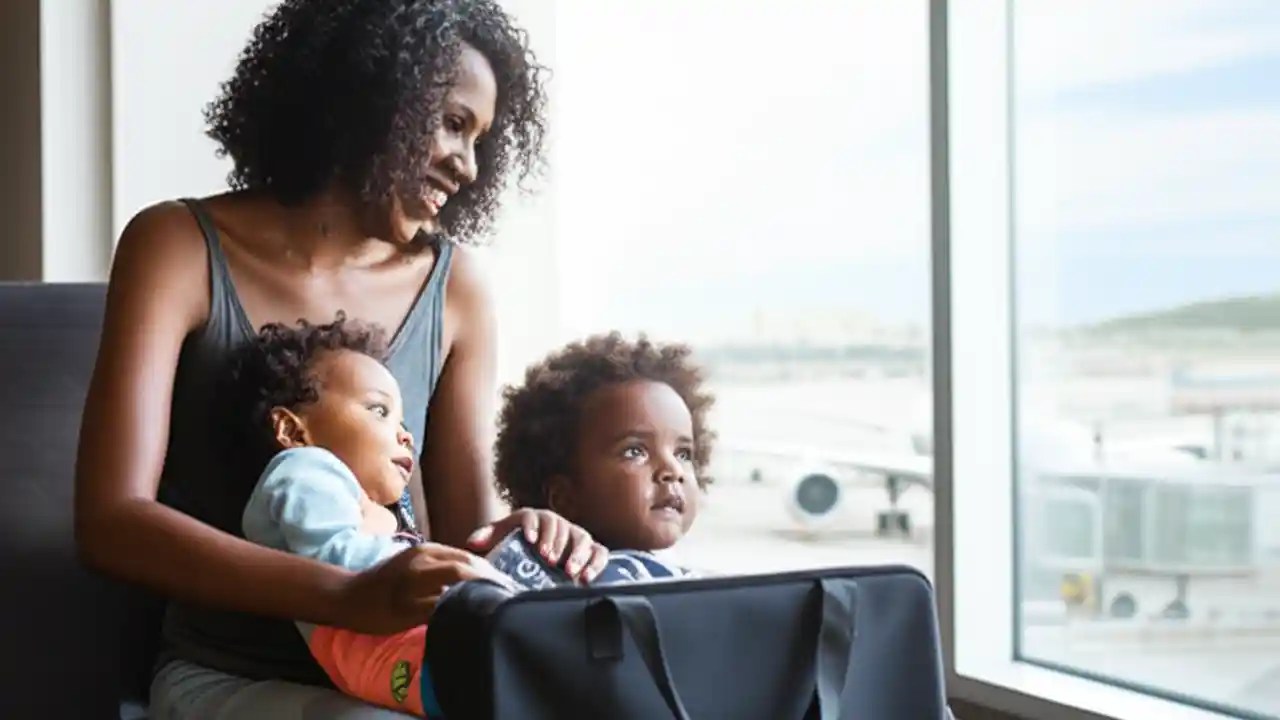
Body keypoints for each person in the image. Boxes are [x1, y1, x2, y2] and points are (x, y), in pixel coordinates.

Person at [72, 1, 587, 717]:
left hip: (401, 676)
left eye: (481, 139)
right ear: (371, 95)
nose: (468, 166)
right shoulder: (177, 246)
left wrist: (516, 539)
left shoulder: (457, 288)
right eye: (452, 123)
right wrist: (348, 596)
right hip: (225, 678)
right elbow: (112, 520)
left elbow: (464, 531)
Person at [230, 314, 608, 717]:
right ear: (291, 429)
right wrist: (460, 580)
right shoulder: (304, 468)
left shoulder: (366, 506)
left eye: (403, 420)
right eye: (379, 411)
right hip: (399, 654)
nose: (405, 434)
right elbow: (335, 554)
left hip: (409, 654)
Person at [488, 333, 718, 581]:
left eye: (683, 454)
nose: (673, 470)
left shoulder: (688, 579)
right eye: (635, 452)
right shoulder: (536, 575)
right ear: (564, 498)